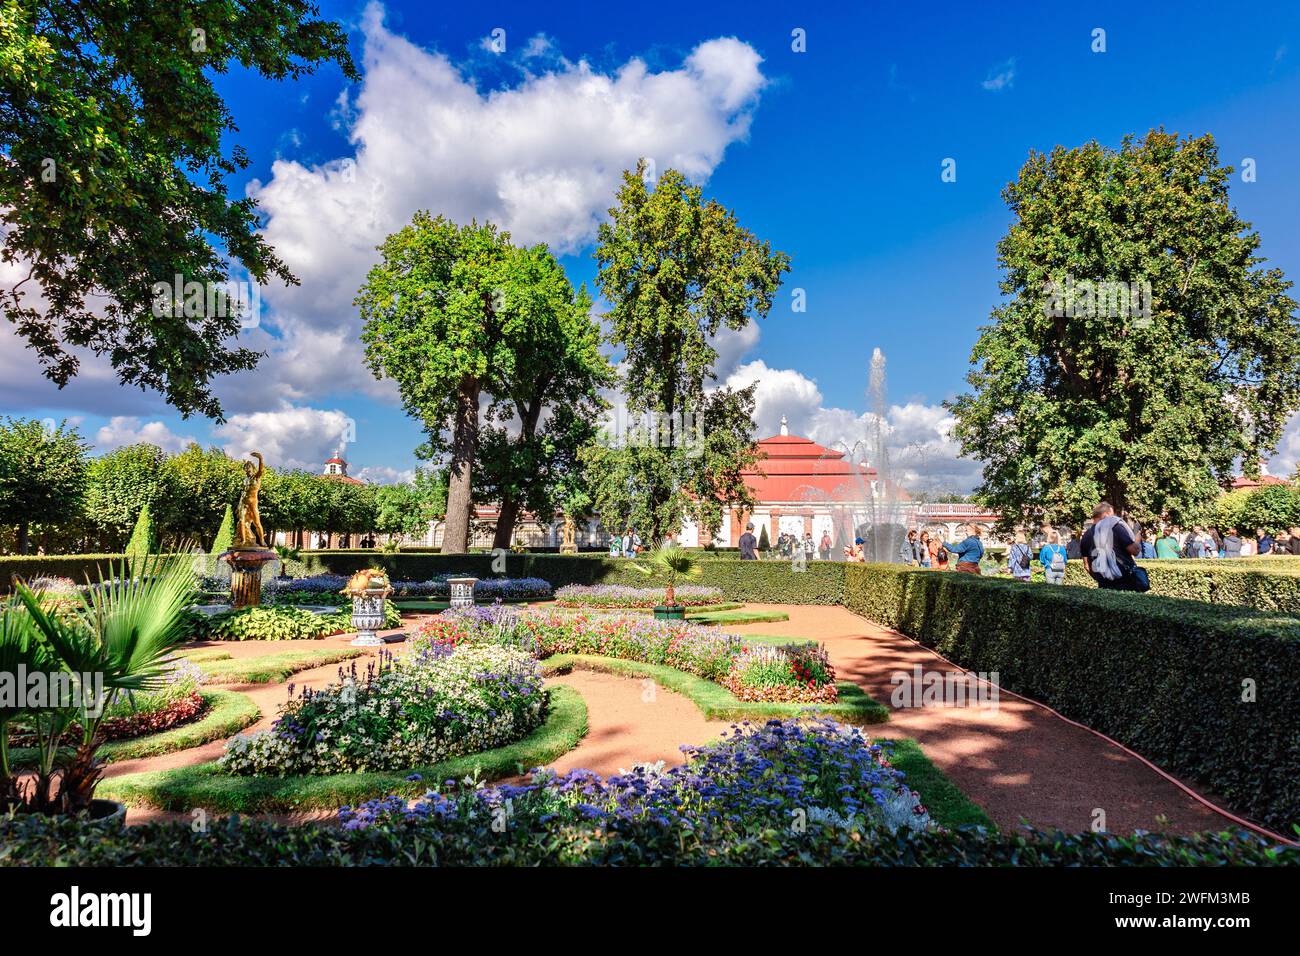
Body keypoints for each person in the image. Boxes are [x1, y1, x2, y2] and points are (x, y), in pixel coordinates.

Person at [1080, 501, 1145, 591]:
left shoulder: (1086, 536)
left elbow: (1087, 566)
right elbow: (1135, 551)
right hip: (1125, 583)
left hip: (1103, 585)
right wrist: (1137, 538)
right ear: (1108, 514)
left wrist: (1102, 579)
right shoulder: (1115, 527)